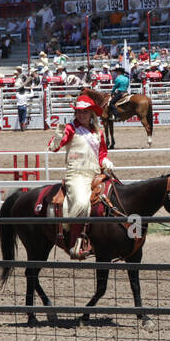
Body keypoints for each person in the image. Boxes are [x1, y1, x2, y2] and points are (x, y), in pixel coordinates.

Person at [48, 93, 115, 259]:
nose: (81, 115)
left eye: (84, 112)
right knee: (81, 202)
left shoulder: (98, 132)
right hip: (76, 174)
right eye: (78, 112)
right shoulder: (71, 128)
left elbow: (101, 154)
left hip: (95, 175)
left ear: (91, 113)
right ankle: (75, 244)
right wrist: (59, 135)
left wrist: (105, 161)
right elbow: (54, 147)